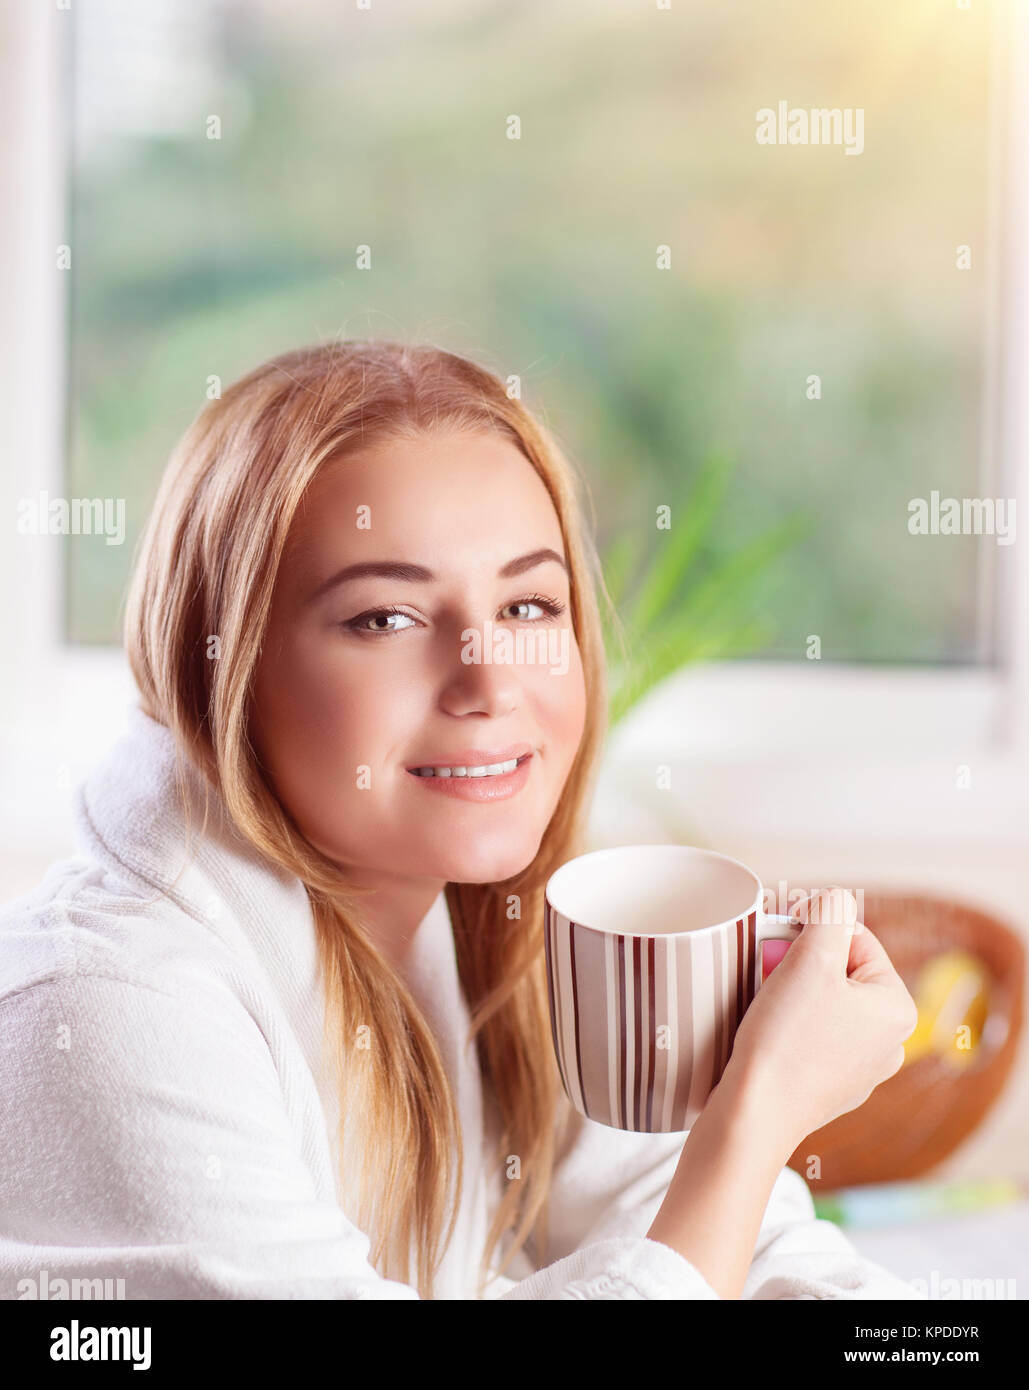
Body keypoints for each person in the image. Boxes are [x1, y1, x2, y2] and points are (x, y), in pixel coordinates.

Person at [0, 340, 922, 1301]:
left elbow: (703, 1223)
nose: (488, 682)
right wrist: (756, 1115)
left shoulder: (495, 930)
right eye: (385, 619)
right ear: (219, 662)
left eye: (527, 603)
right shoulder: (101, 1013)